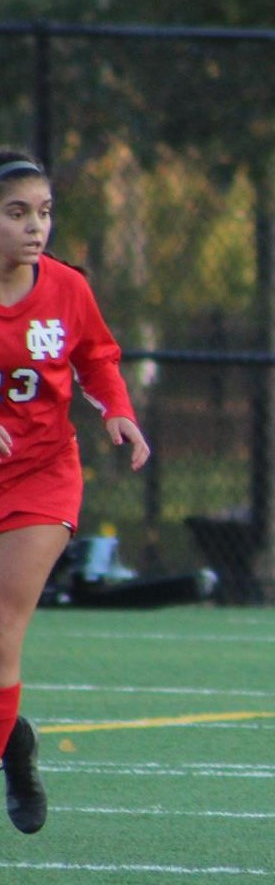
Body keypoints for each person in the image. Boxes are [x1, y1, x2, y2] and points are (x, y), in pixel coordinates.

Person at [0, 152, 150, 835]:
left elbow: (96, 355)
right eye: (17, 213)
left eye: (44, 212)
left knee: (4, 622)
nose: (36, 227)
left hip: (41, 474)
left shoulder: (65, 288)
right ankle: (16, 745)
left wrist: (116, 409)